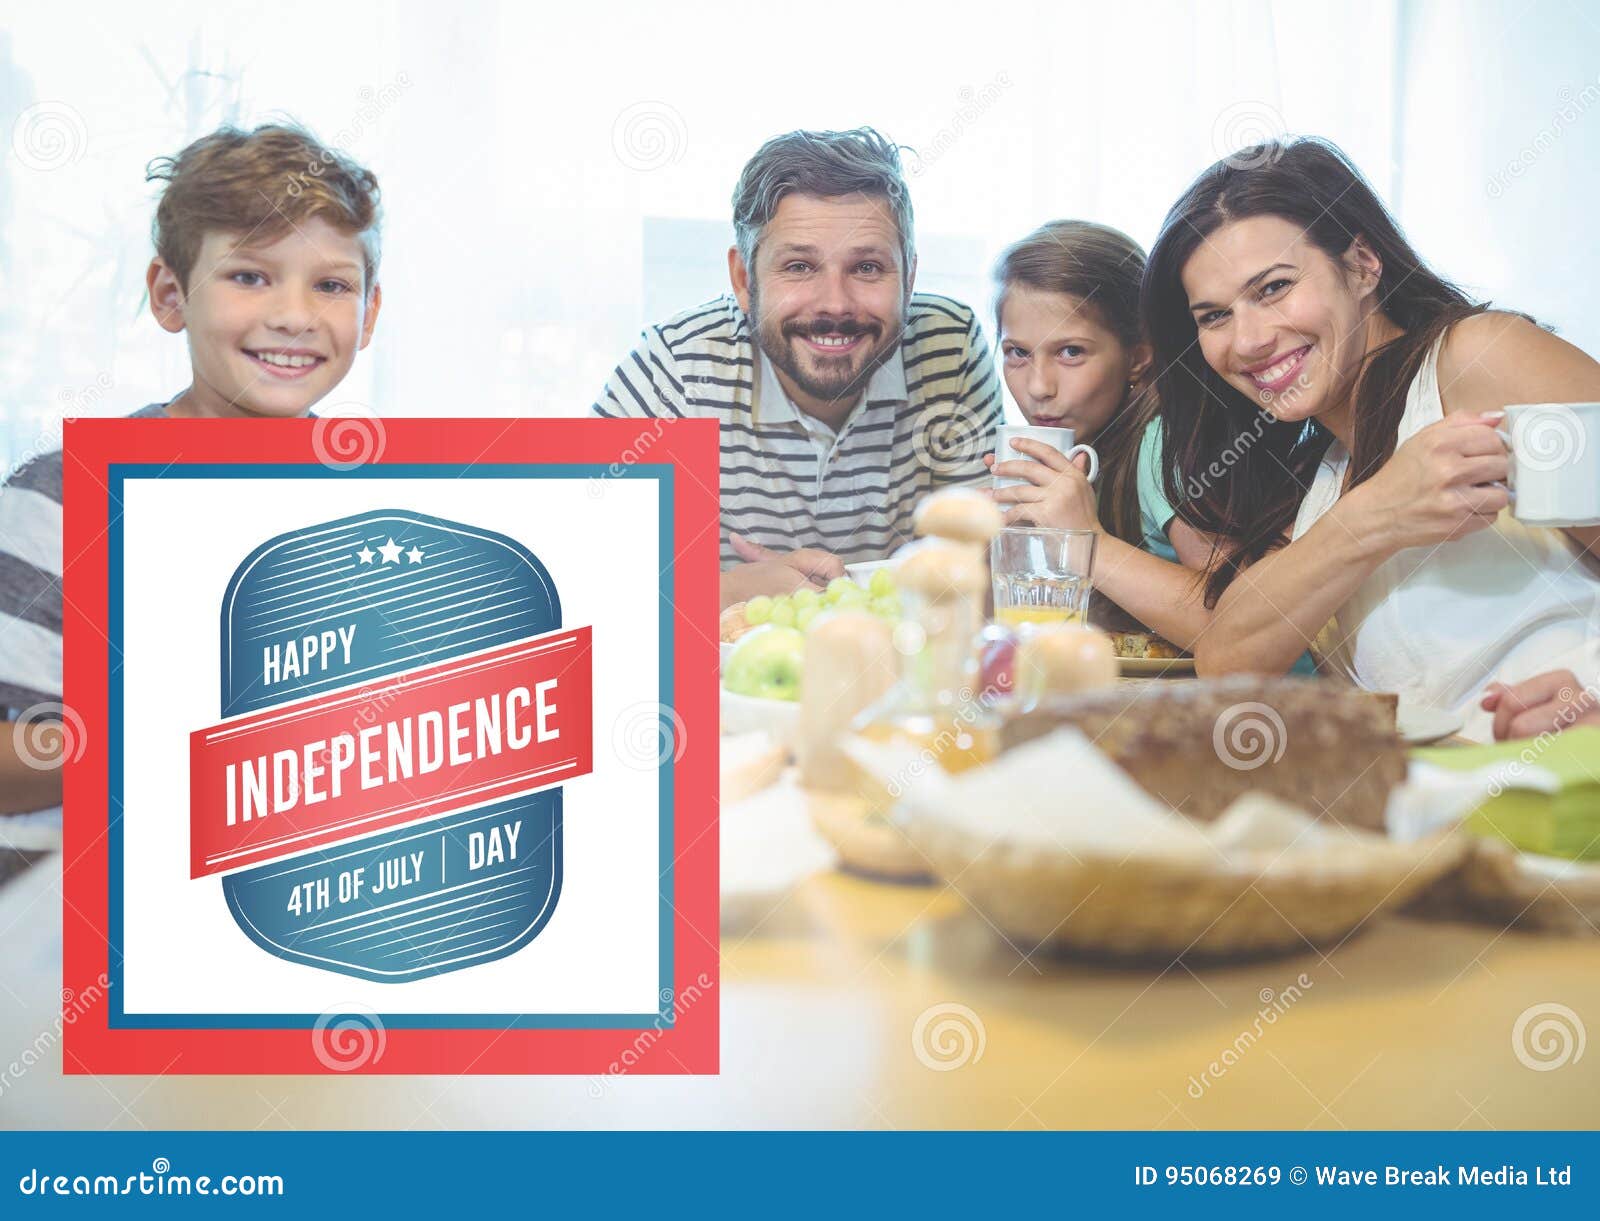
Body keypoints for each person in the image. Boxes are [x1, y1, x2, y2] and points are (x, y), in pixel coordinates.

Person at [1142, 136, 1600, 742]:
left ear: (1362, 264)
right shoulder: (1322, 472)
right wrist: (1375, 514)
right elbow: (1228, 658)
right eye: (1214, 316)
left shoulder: (1474, 357)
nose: (1247, 340)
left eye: (1273, 287)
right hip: (1456, 813)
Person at [0, 122, 384, 815]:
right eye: (248, 276)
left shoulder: (389, 500)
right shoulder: (62, 497)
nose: (295, 316)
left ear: (369, 313)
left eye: (331, 284)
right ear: (171, 295)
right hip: (80, 901)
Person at [592, 127, 1004, 609]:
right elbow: (571, 584)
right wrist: (725, 592)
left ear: (909, 278)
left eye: (867, 267)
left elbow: (983, 569)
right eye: (799, 267)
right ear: (744, 280)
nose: (835, 304)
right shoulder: (674, 370)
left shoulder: (948, 347)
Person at [983, 221, 1217, 653]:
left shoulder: (1164, 445)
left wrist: (1085, 539)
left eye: (1071, 352)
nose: (1038, 387)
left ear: (1138, 357)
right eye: (1018, 353)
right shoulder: (1081, 446)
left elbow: (1228, 621)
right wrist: (990, 550)